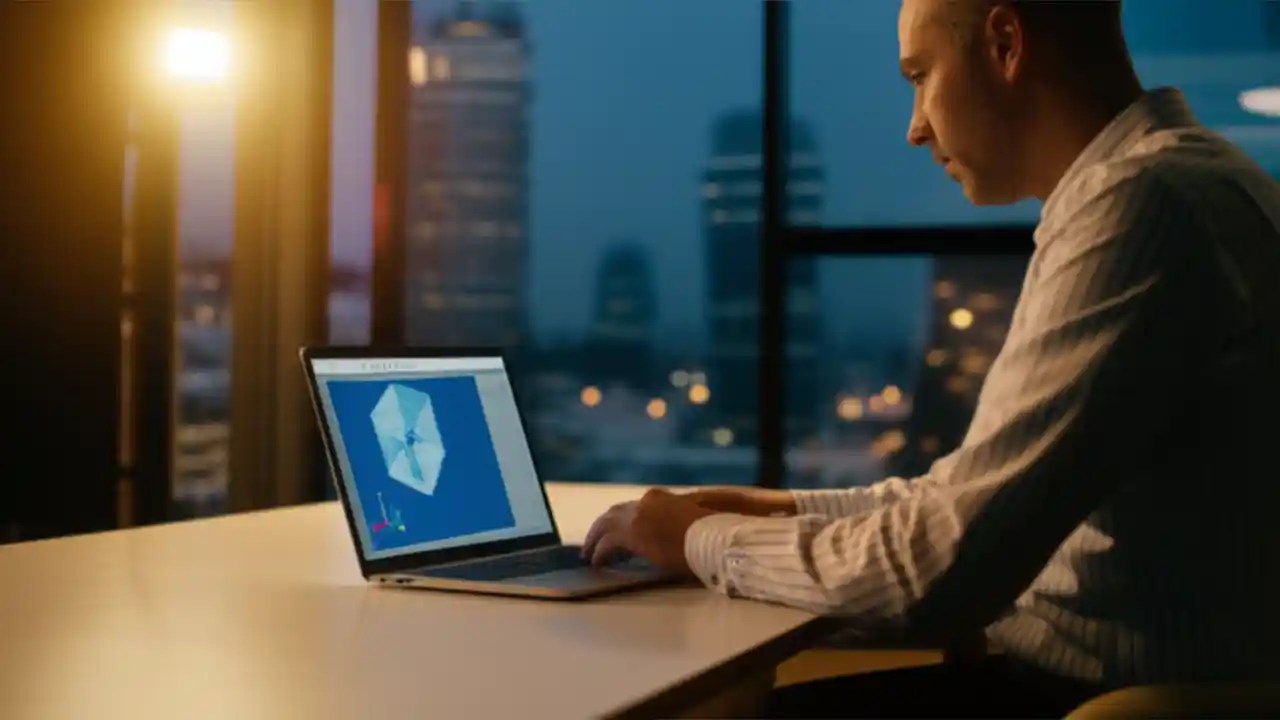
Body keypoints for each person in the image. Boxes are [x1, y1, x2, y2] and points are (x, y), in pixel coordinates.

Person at [582, 0, 1280, 716]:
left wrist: (699, 540)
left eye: (921, 75)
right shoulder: (1185, 181)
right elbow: (969, 501)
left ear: (1007, 43)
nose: (915, 127)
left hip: (1087, 696)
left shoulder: (1139, 207)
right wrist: (779, 509)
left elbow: (939, 569)